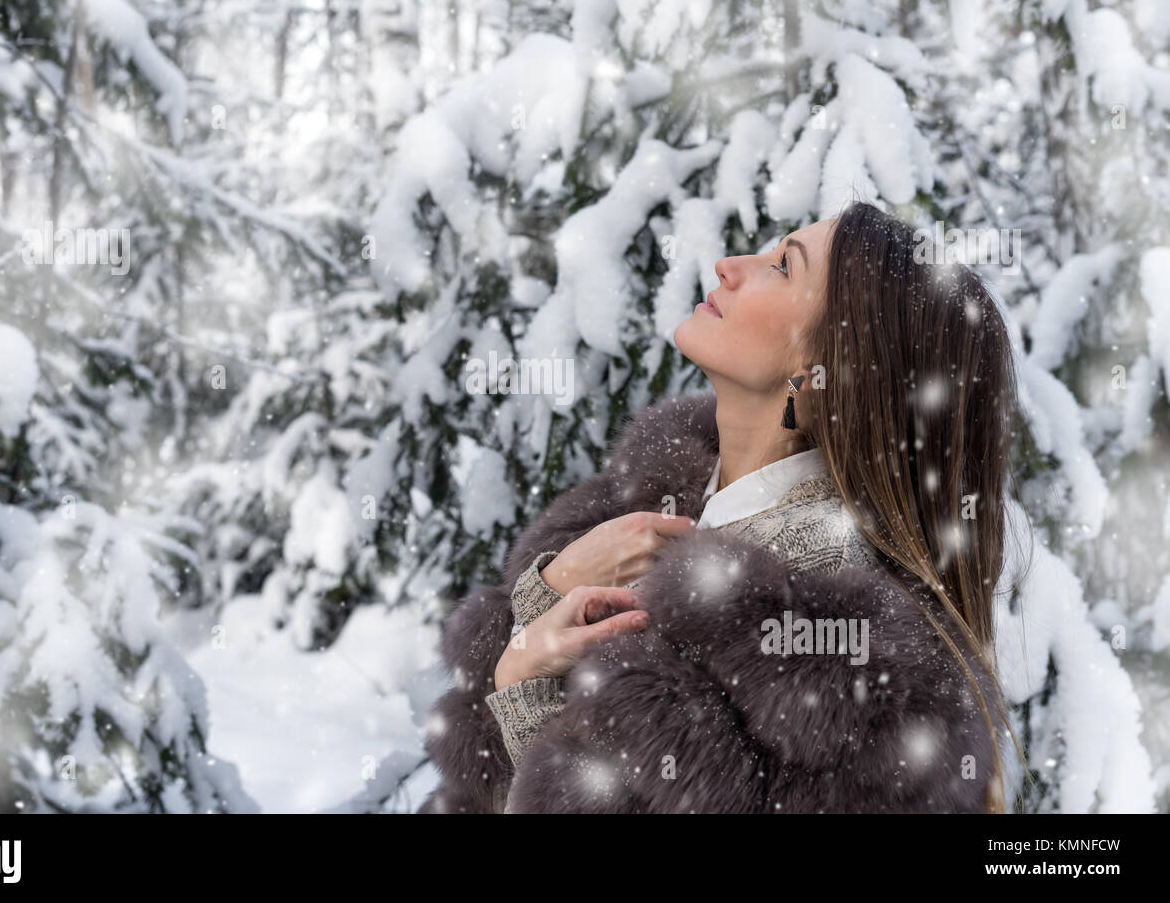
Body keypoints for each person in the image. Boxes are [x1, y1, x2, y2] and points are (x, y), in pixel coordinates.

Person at [418, 201, 1032, 813]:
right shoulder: (632, 510)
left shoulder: (833, 662)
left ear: (822, 369)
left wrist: (524, 688)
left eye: (782, 267)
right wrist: (546, 596)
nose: (729, 265)